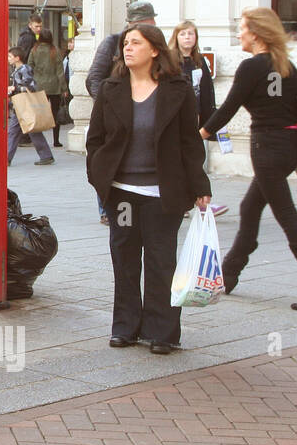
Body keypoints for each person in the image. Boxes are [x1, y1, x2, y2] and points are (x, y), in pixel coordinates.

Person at [86, 24, 211, 354]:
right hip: (122, 193)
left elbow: (189, 142)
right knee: (125, 260)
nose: (127, 48)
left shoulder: (177, 90)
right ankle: (125, 327)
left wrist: (200, 184)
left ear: (154, 49)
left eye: (135, 43)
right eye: (125, 43)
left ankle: (162, 332)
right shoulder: (111, 88)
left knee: (160, 262)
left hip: (161, 192)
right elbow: (95, 139)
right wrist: (98, 176)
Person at [199, 8, 297, 311]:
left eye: (242, 28)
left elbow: (228, 107)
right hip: (289, 148)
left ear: (255, 33)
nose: (239, 33)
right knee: (249, 206)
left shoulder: (251, 67)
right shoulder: (287, 67)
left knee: (287, 216)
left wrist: (200, 133)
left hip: (267, 147)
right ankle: (229, 273)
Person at [87, 0, 157, 224]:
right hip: (114, 118)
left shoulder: (154, 46)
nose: (154, 24)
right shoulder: (112, 43)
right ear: (135, 23)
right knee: (109, 156)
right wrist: (109, 106)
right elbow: (93, 79)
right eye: (149, 22)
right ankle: (106, 208)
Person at [168, 21, 227, 216]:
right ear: (176, 37)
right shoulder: (170, 60)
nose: (187, 37)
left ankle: (198, 201)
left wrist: (209, 120)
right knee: (178, 161)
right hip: (177, 120)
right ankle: (186, 201)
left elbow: (207, 91)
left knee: (195, 160)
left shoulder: (199, 61)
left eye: (191, 34)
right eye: (183, 34)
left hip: (197, 118)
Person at [7, 46, 54, 166]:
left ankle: (6, 158)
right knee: (29, 130)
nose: (8, 59)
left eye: (10, 56)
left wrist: (14, 88)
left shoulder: (24, 69)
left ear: (17, 58)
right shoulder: (15, 70)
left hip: (24, 105)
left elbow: (31, 87)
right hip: (19, 105)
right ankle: (46, 156)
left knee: (16, 131)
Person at [30, 31, 67, 147]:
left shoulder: (34, 50)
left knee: (39, 113)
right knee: (55, 114)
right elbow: (60, 72)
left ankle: (39, 142)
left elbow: (29, 65)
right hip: (54, 86)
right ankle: (56, 141)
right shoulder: (54, 50)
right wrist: (64, 88)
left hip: (39, 86)